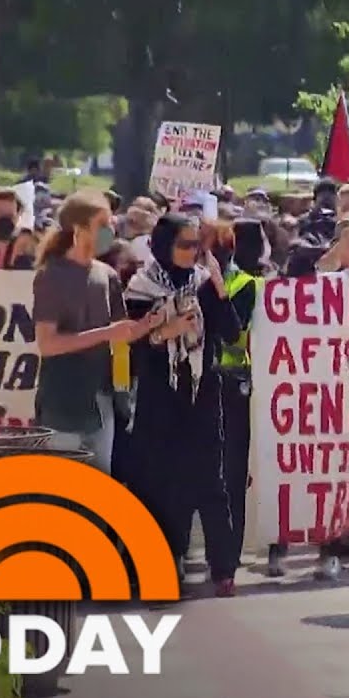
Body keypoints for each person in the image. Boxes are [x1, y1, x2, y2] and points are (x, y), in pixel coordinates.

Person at [124, 213, 242, 596]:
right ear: (164, 246)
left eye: (197, 245)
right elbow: (133, 346)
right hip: (160, 399)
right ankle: (165, 563)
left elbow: (231, 332)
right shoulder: (140, 288)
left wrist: (219, 286)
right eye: (185, 245)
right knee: (162, 485)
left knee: (212, 483)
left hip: (202, 395)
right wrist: (164, 333)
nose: (193, 252)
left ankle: (223, 567)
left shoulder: (204, 283)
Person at [32, 190, 156, 475]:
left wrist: (150, 324)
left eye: (111, 222)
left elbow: (120, 332)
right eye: (102, 223)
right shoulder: (52, 275)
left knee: (99, 487)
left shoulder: (106, 274)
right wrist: (106, 333)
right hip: (63, 401)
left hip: (101, 400)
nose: (110, 229)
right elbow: (48, 344)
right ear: (79, 229)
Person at [216, 218, 267, 571]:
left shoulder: (244, 283)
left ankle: (226, 553)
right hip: (229, 384)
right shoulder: (249, 283)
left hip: (230, 381)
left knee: (230, 472)